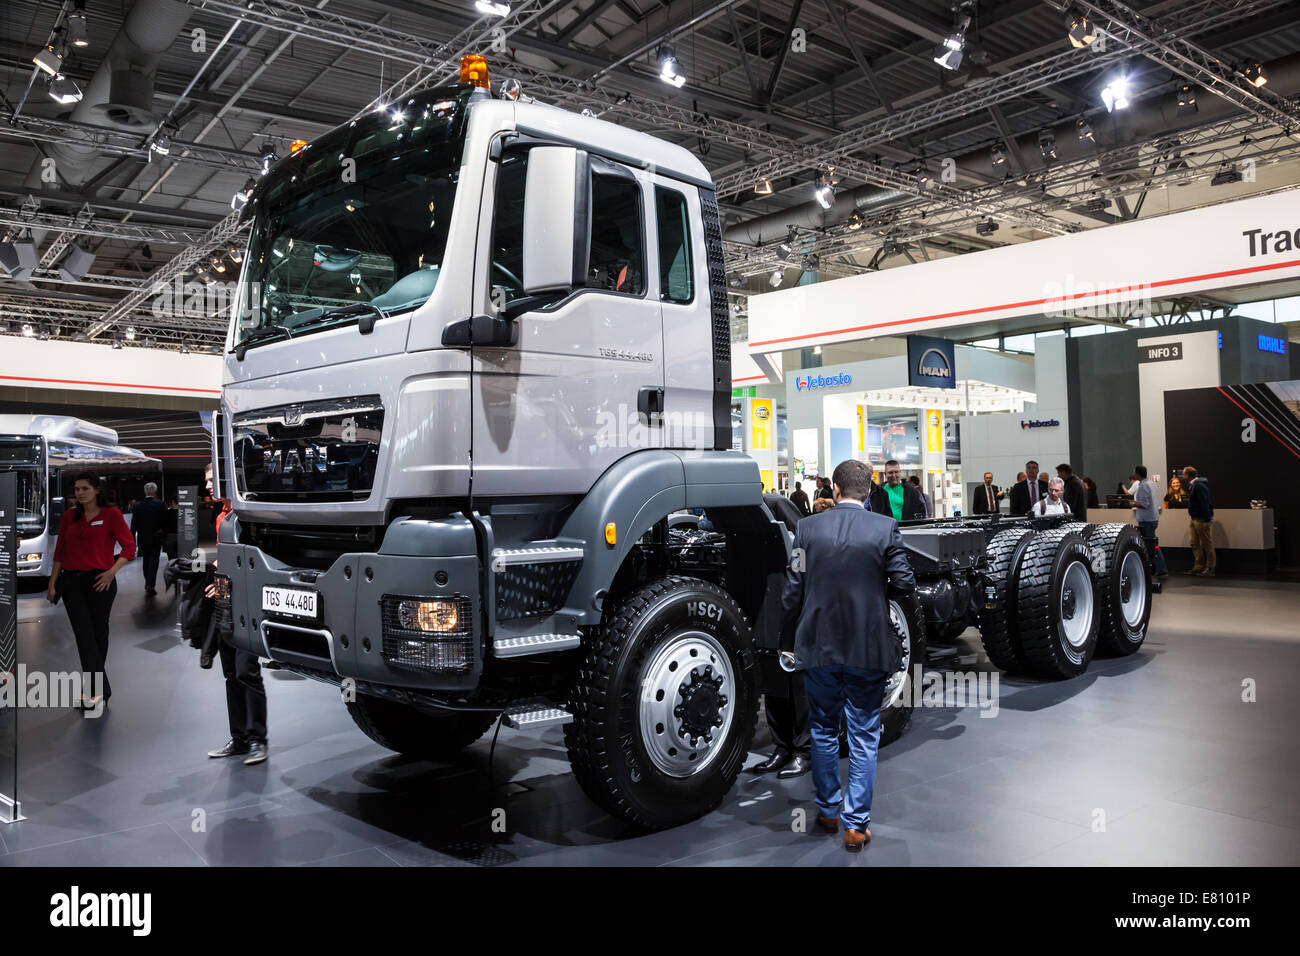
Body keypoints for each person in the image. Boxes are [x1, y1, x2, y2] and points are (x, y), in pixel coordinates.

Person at [780, 459, 916, 851]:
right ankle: (856, 826)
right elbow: (904, 583)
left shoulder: (806, 530)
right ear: (869, 491)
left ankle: (827, 811)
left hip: (818, 645)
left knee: (822, 729)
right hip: (867, 647)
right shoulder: (884, 528)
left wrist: (787, 638)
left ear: (834, 490)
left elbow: (793, 588)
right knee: (863, 734)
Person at [46, 473, 135, 711]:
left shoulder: (111, 515)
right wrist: (52, 582)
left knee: (98, 635)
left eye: (84, 488)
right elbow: (60, 552)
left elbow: (129, 547)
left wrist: (111, 572)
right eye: (76, 489)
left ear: (97, 490)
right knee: (84, 636)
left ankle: (92, 689)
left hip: (101, 582)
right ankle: (99, 690)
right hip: (72, 584)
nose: (79, 493)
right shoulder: (69, 516)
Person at [203, 462, 270, 764]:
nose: (207, 486)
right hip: (226, 598)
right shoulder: (221, 518)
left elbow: (254, 561)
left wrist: (225, 573)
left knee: (246, 671)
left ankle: (258, 739)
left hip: (247, 602)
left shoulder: (247, 517)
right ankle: (240, 738)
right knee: (230, 672)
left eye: (210, 480)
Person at [750, 493, 811, 779]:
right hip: (763, 599)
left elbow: (805, 535)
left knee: (798, 682)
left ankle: (803, 750)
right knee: (773, 680)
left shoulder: (774, 504)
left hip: (790, 597)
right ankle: (782, 747)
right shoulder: (726, 514)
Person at [130, 481, 167, 595]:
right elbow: (165, 522)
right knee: (154, 561)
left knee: (146, 560)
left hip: (142, 538)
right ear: (155, 491)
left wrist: (132, 539)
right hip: (156, 537)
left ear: (145, 492)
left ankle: (147, 582)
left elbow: (134, 524)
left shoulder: (137, 505)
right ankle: (151, 584)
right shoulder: (160, 504)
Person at [1131, 465, 1168, 578]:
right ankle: (1155, 569)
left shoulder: (1143, 486)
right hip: (1152, 518)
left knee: (1151, 546)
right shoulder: (1151, 484)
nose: (1133, 474)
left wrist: (1132, 503)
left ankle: (1161, 569)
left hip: (1146, 520)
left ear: (1138, 474)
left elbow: (1144, 504)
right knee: (1152, 545)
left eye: (1134, 472)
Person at [1184, 466, 1215, 577]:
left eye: (1184, 473)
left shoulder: (1199, 486)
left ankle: (1210, 568)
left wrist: (1207, 519)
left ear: (1187, 475)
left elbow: (1204, 502)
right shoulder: (1192, 485)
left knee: (1206, 543)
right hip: (1195, 518)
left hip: (1201, 519)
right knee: (1194, 542)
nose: (1183, 476)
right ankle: (1199, 566)